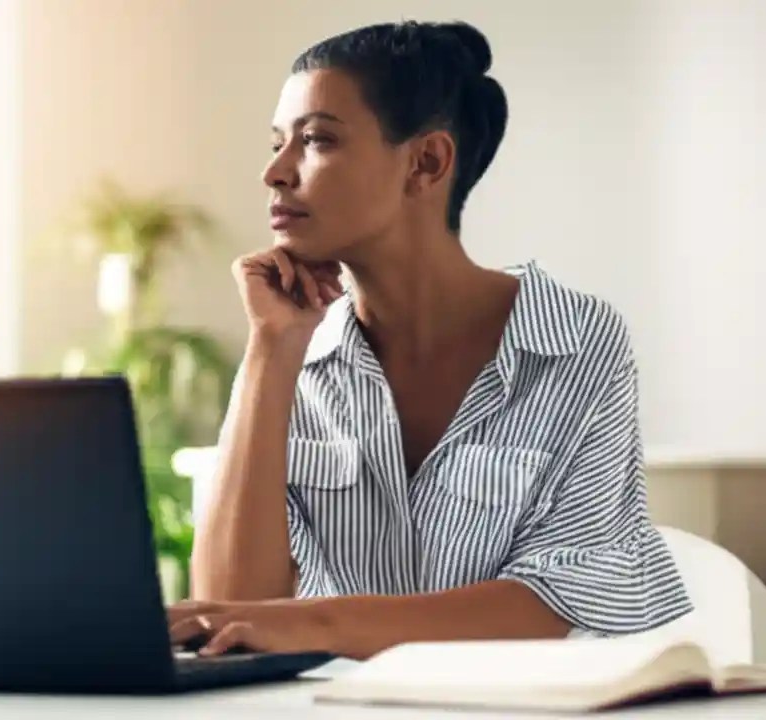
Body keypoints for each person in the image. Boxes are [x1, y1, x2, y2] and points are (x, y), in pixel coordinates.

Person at [169, 20, 692, 659]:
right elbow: (227, 616)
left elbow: (560, 600)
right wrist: (271, 351)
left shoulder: (577, 343)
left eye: (317, 141)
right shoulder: (294, 353)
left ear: (426, 162)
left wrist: (318, 626)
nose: (275, 173)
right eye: (279, 143)